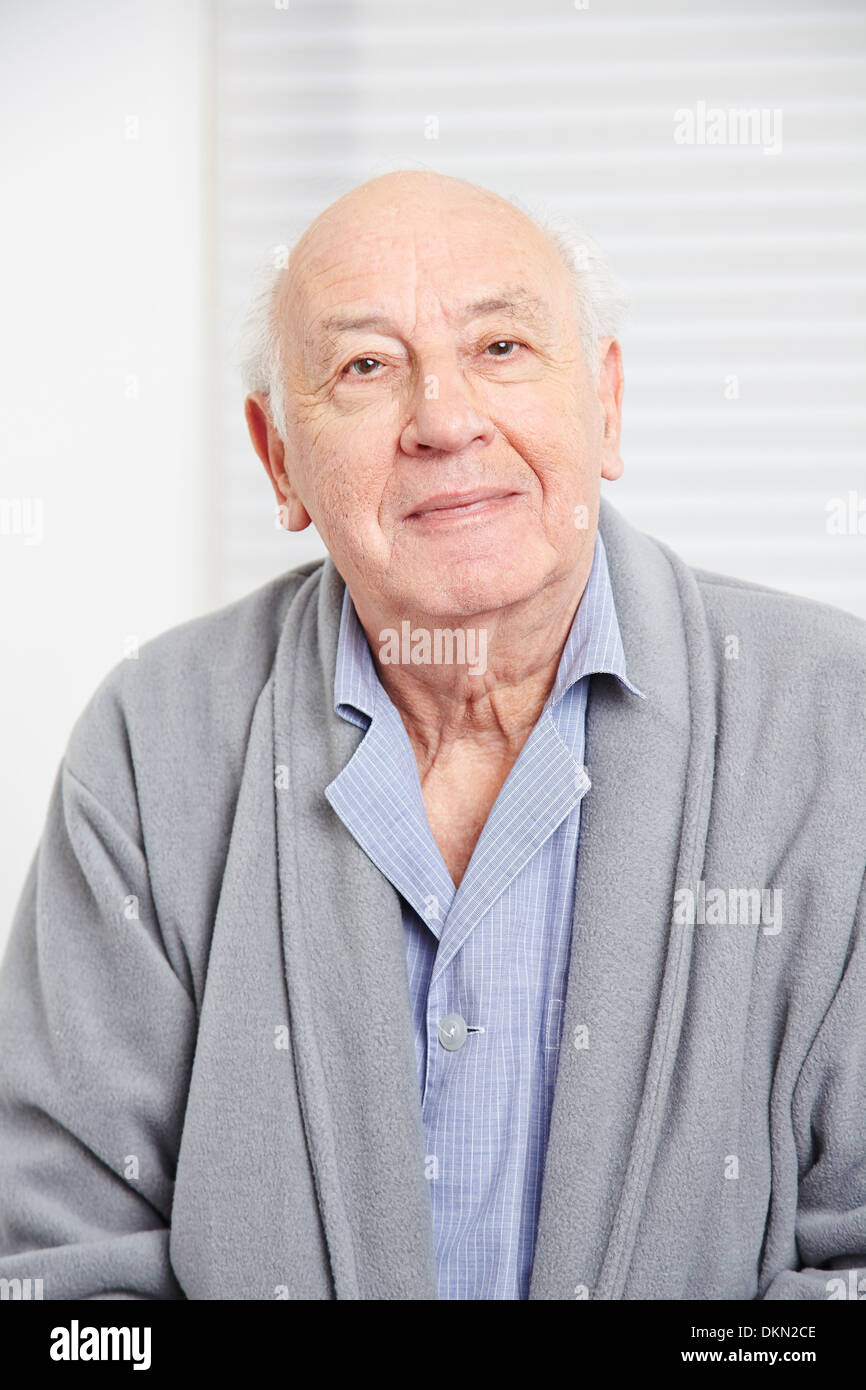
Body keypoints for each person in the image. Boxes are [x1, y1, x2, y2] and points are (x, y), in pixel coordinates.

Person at [1, 171, 864, 1301]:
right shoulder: (149, 742)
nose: (446, 420)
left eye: (500, 347)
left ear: (604, 403)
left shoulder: (834, 723)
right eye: (365, 366)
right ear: (278, 460)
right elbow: (58, 1287)